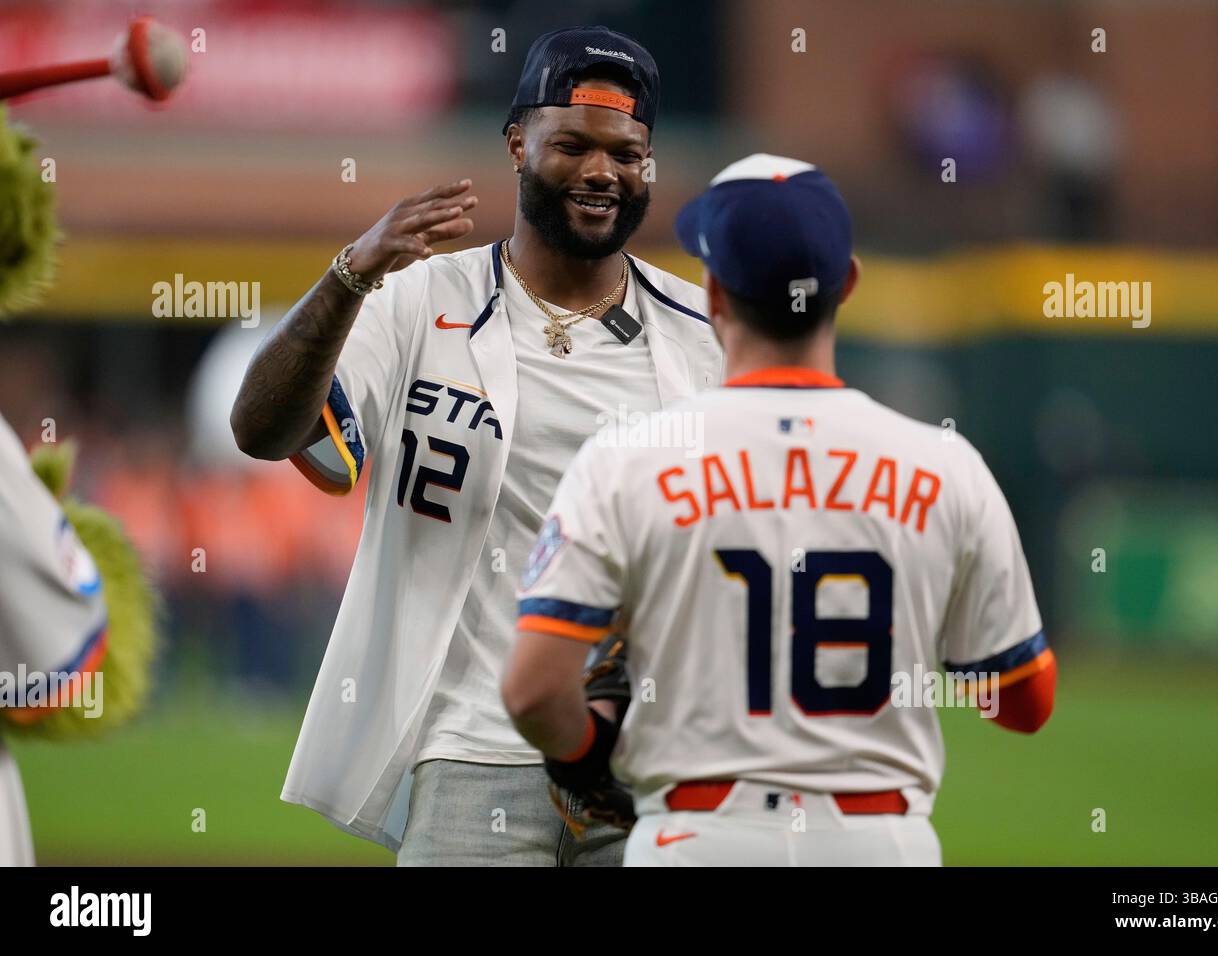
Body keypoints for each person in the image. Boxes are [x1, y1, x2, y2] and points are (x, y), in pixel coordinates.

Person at [229, 26, 722, 865]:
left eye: (627, 154)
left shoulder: (708, 330)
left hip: (651, 756)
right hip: (473, 751)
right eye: (572, 144)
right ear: (517, 144)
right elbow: (262, 431)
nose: (602, 171)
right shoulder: (420, 298)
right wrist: (350, 274)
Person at [502, 153, 1056, 866]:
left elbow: (532, 690)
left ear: (714, 295)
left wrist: (589, 754)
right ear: (847, 284)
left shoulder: (629, 459)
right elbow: (1024, 702)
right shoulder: (947, 467)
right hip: (881, 841)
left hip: (698, 838)